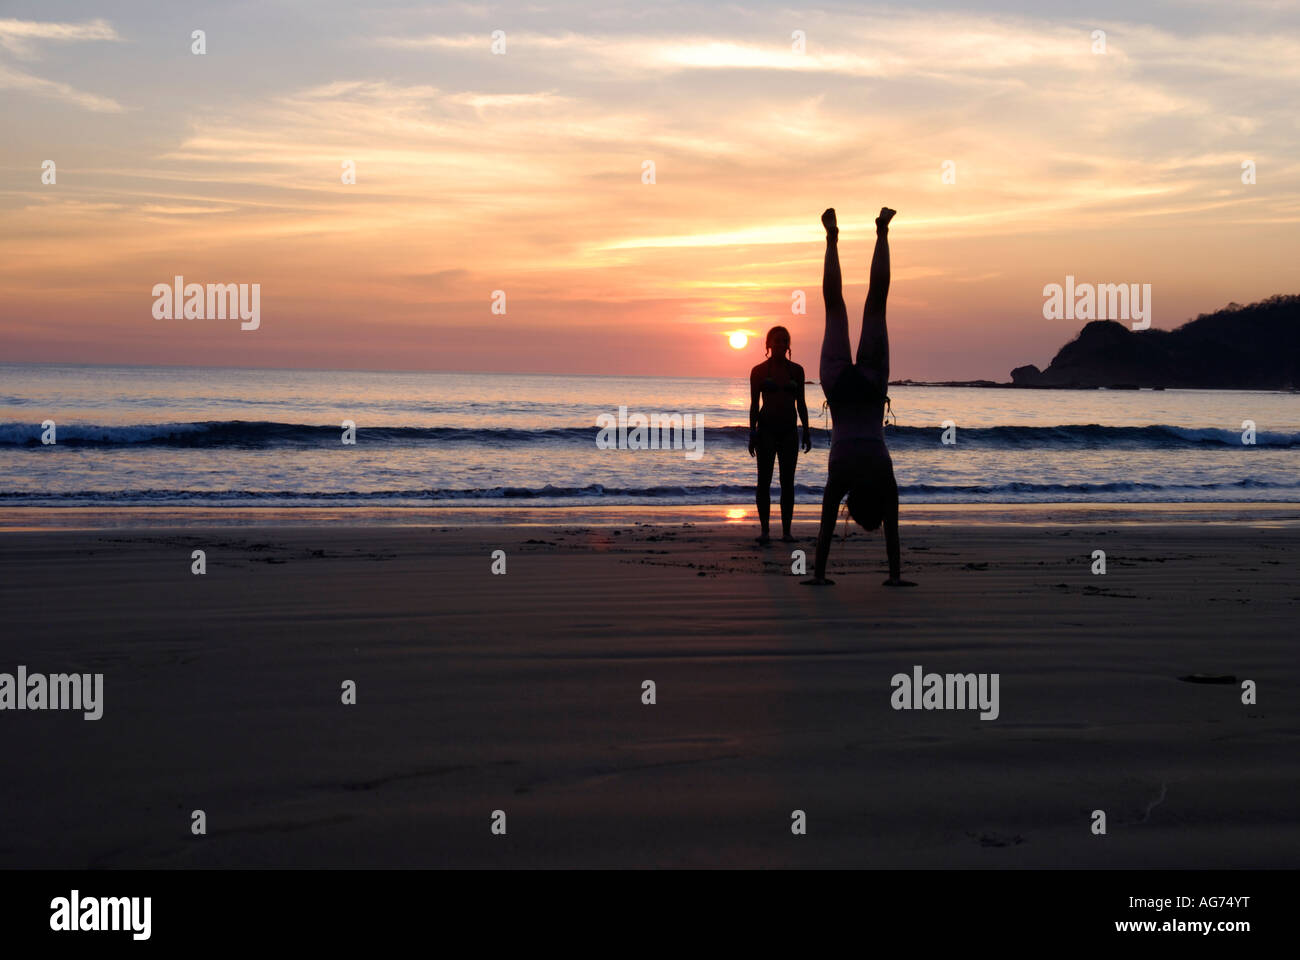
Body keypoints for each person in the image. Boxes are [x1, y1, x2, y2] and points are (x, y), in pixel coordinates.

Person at [803, 207, 915, 586]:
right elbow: (825, 529)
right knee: (833, 307)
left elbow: (893, 534)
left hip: (870, 386)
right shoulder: (842, 478)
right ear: (855, 506)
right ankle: (831, 239)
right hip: (837, 386)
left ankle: (882, 232)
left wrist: (897, 576)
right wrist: (818, 575)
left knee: (876, 302)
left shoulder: (884, 477)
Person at [748, 326, 812, 543]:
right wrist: (752, 433)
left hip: (789, 433)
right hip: (766, 431)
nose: (780, 345)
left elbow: (801, 403)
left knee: (788, 483)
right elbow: (754, 405)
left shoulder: (797, 371)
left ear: (788, 345)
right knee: (763, 482)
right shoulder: (758, 371)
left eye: (785, 341)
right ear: (768, 344)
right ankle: (765, 531)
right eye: (776, 341)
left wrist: (807, 431)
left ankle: (786, 532)